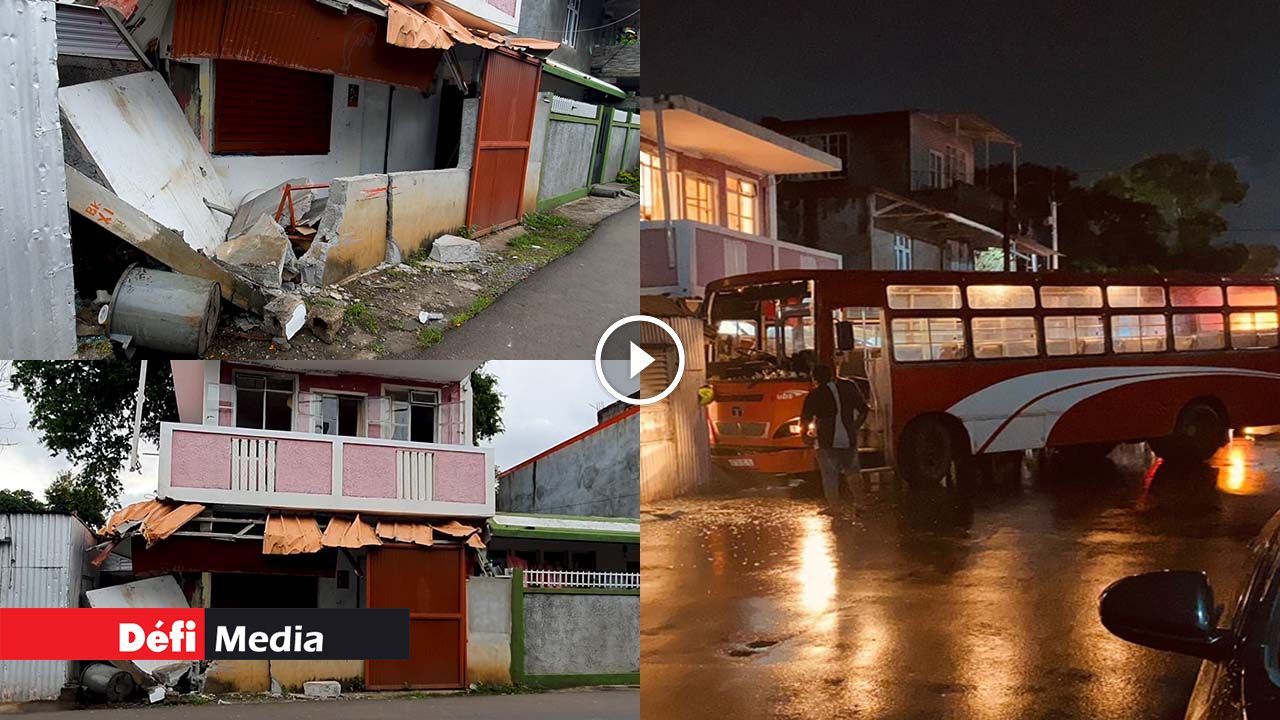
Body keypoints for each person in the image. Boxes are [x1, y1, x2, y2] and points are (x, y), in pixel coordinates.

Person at [801, 365, 869, 514]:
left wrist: (805, 436)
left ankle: (834, 507)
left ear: (815, 379)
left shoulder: (815, 395)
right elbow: (864, 409)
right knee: (853, 471)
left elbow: (805, 419)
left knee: (829, 475)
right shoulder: (849, 388)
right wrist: (855, 427)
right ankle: (860, 503)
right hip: (848, 438)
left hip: (826, 440)